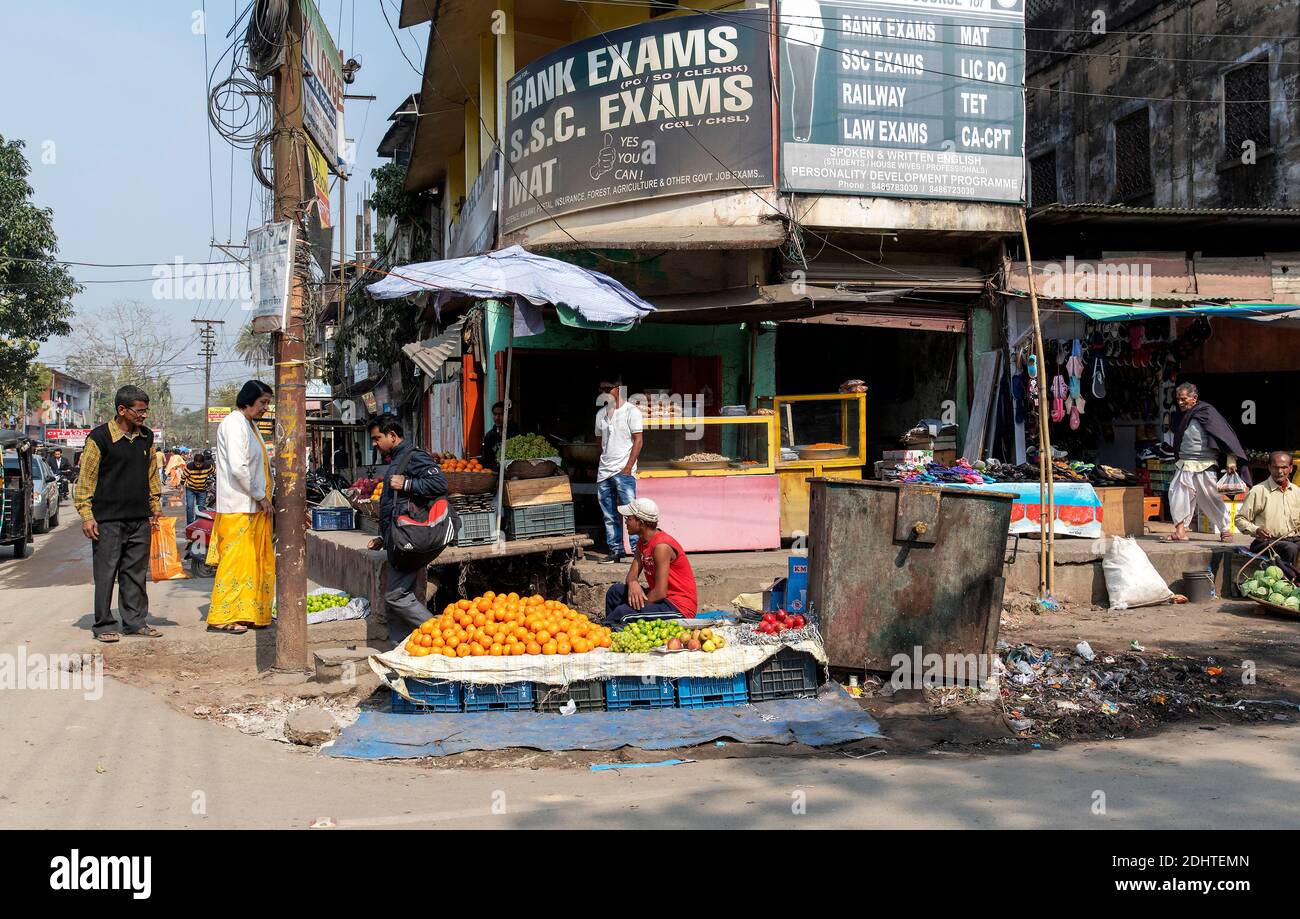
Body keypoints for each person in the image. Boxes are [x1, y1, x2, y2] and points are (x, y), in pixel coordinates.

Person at [74, 385, 164, 643]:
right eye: (140, 410)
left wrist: (155, 505)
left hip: (139, 518)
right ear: (121, 410)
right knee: (106, 574)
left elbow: (151, 475)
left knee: (135, 574)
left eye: (146, 410)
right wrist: (87, 515)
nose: (144, 415)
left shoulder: (147, 438)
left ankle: (135, 621)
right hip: (108, 520)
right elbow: (86, 480)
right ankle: (104, 624)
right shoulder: (99, 438)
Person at [364, 414, 449, 642]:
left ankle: (439, 632)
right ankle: (401, 649)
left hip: (409, 539)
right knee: (396, 602)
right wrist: (383, 536)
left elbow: (440, 484)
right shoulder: (397, 459)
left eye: (377, 438)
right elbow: (394, 504)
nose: (374, 444)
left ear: (392, 436)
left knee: (396, 596)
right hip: (396, 539)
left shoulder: (413, 457)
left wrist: (408, 483)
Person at [207, 380, 275, 634]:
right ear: (247, 401)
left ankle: (247, 612)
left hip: (251, 508)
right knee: (235, 563)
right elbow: (239, 467)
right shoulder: (235, 424)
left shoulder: (249, 425)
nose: (265, 408)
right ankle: (221, 615)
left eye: (267, 403)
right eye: (262, 403)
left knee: (251, 564)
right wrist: (261, 496)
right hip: (240, 506)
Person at [1165, 382, 1250, 542]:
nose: (1180, 402)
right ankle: (1180, 531)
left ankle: (1225, 529)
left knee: (1210, 497)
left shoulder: (1207, 412)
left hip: (1205, 462)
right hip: (1185, 463)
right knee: (1177, 495)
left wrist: (1231, 458)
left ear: (1194, 398)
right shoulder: (1182, 414)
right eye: (1178, 399)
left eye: (1183, 399)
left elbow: (1224, 435)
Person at [604, 498, 698, 624]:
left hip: (678, 607)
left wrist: (635, 607)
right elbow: (632, 573)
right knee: (615, 592)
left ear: (641, 523)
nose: (625, 522)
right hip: (661, 599)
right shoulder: (642, 541)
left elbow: (660, 592)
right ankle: (613, 629)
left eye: (629, 519)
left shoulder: (661, 547)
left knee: (623, 613)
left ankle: (605, 630)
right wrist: (633, 582)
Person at [595, 381, 643, 565]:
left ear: (619, 389)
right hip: (604, 471)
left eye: (608, 389)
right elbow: (599, 442)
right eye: (602, 390)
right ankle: (616, 551)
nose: (605, 392)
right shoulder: (600, 414)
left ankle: (638, 553)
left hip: (624, 470)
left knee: (631, 513)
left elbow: (638, 441)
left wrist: (628, 467)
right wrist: (602, 462)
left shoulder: (632, 411)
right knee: (609, 514)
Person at [1236, 451, 1300, 574]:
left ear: (1291, 468)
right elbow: (1240, 519)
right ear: (1269, 467)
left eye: (1284, 467)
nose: (1280, 471)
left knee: (1293, 546)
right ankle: (1290, 582)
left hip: (1294, 539)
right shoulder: (1258, 491)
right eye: (1276, 467)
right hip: (1267, 543)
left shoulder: (1297, 492)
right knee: (1290, 548)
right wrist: (1257, 530)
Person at [181, 450, 214, 526]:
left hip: (202, 490)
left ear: (203, 462)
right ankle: (190, 524)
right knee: (190, 507)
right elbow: (183, 478)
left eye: (200, 464)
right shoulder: (189, 466)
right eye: (197, 464)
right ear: (194, 462)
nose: (198, 466)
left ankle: (198, 523)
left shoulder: (208, 466)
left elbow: (215, 473)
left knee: (200, 509)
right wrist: (181, 488)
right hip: (191, 489)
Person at [479, 401, 506, 470]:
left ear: (509, 416)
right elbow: (486, 458)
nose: (497, 418)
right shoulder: (489, 436)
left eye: (500, 414)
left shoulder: (515, 433)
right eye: (495, 414)